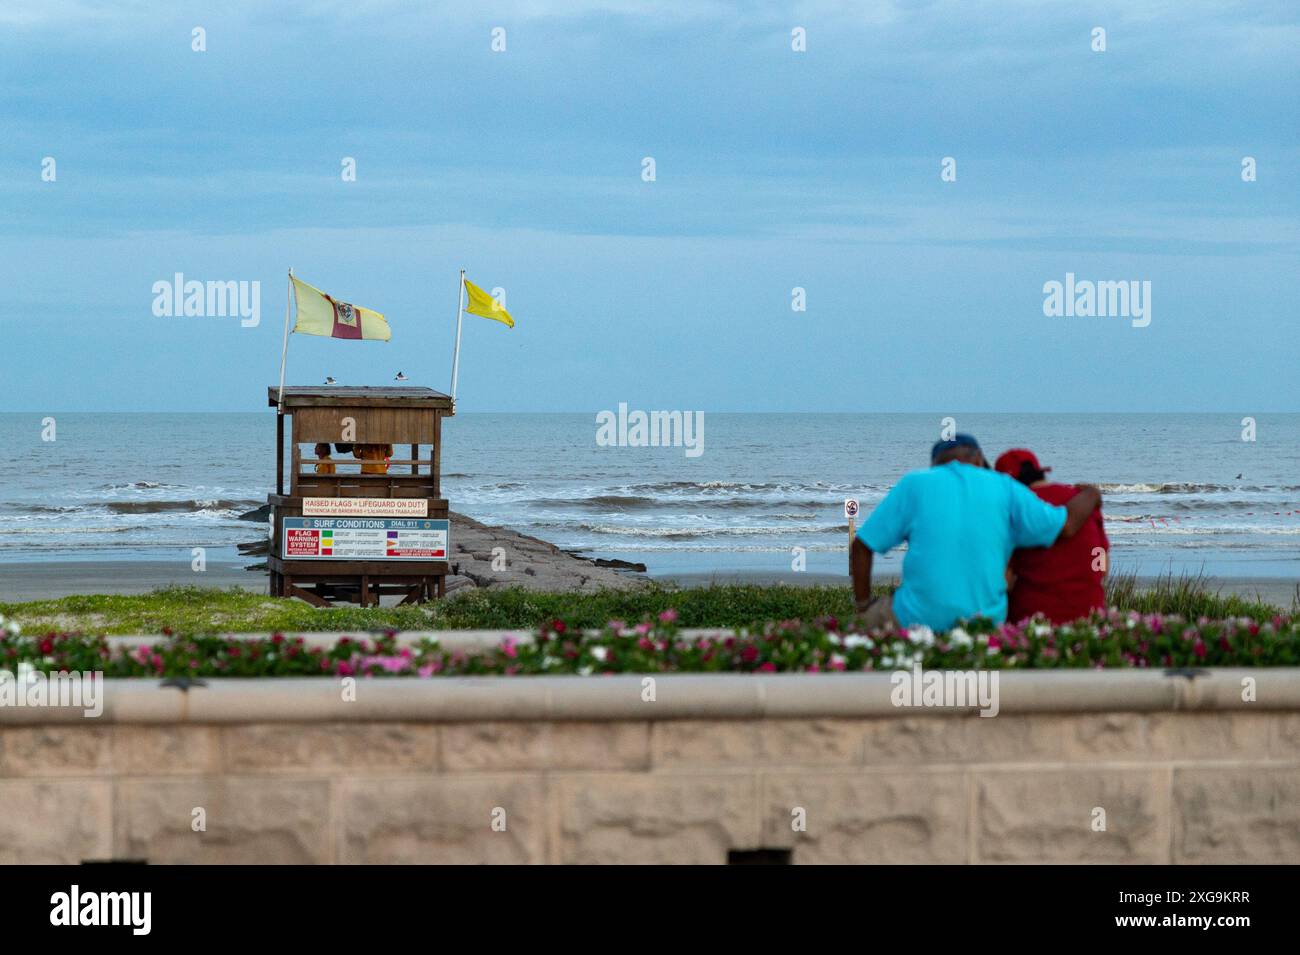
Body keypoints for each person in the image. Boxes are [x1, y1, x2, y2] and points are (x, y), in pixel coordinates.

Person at [850, 434, 1103, 632]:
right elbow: (1067, 525)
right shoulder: (1004, 486)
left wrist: (864, 605)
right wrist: (1091, 494)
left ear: (935, 464)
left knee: (851, 636)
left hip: (914, 619)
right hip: (983, 624)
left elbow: (862, 545)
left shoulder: (915, 483)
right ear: (980, 459)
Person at [995, 448, 1109, 624]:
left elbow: (1005, 580)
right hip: (1091, 619)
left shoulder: (1015, 510)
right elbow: (1103, 565)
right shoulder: (1084, 501)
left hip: (1033, 624)